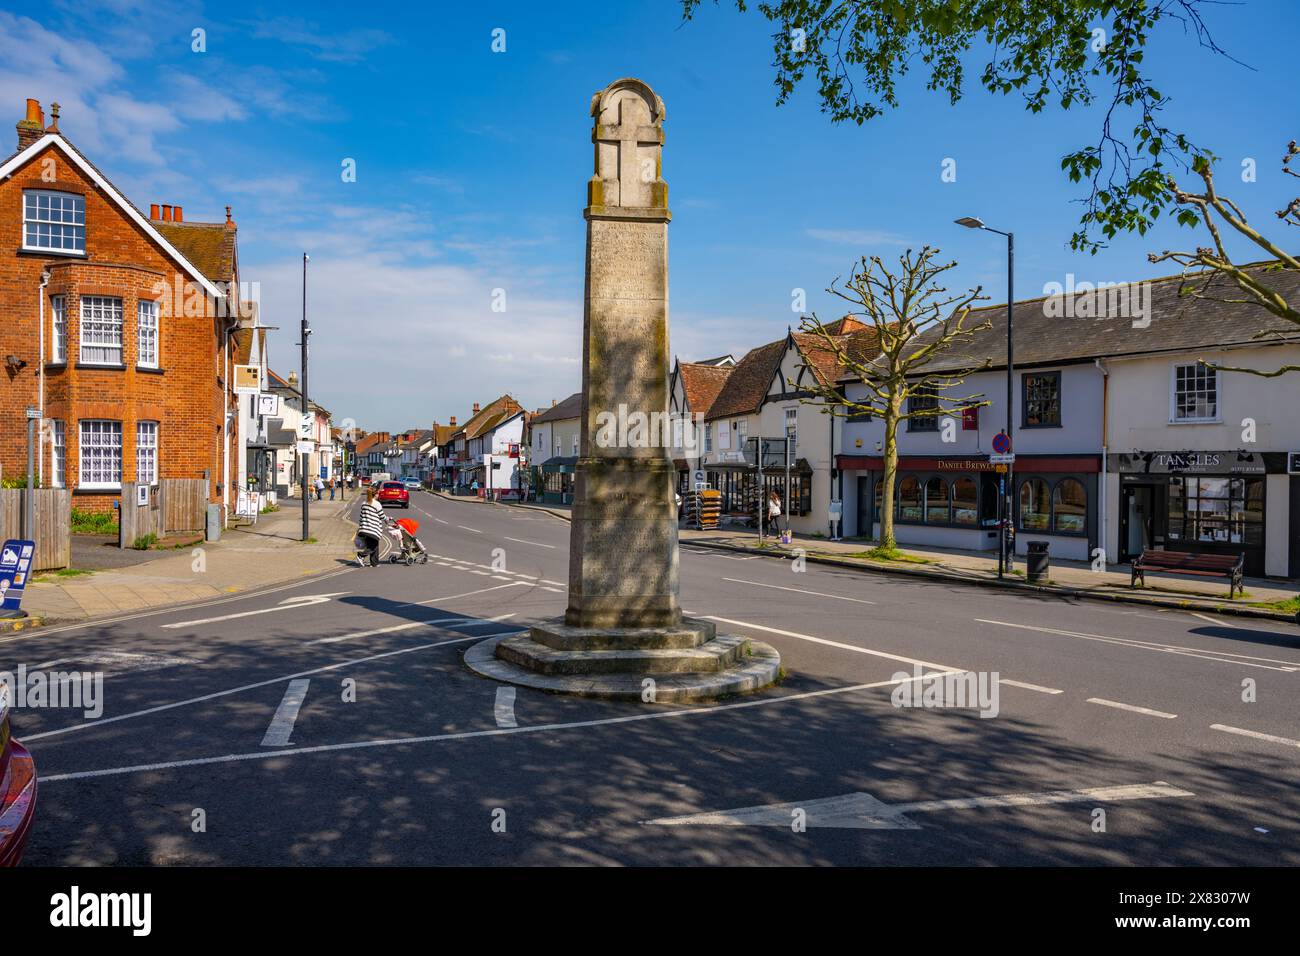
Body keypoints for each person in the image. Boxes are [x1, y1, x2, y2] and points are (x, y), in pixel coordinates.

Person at [357, 487, 387, 567]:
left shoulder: (364, 503)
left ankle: (374, 563)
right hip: (373, 529)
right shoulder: (377, 504)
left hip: (364, 528)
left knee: (375, 544)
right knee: (373, 546)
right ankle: (361, 555)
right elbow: (382, 516)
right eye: (378, 494)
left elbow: (361, 516)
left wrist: (360, 527)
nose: (378, 495)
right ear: (375, 494)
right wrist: (387, 519)